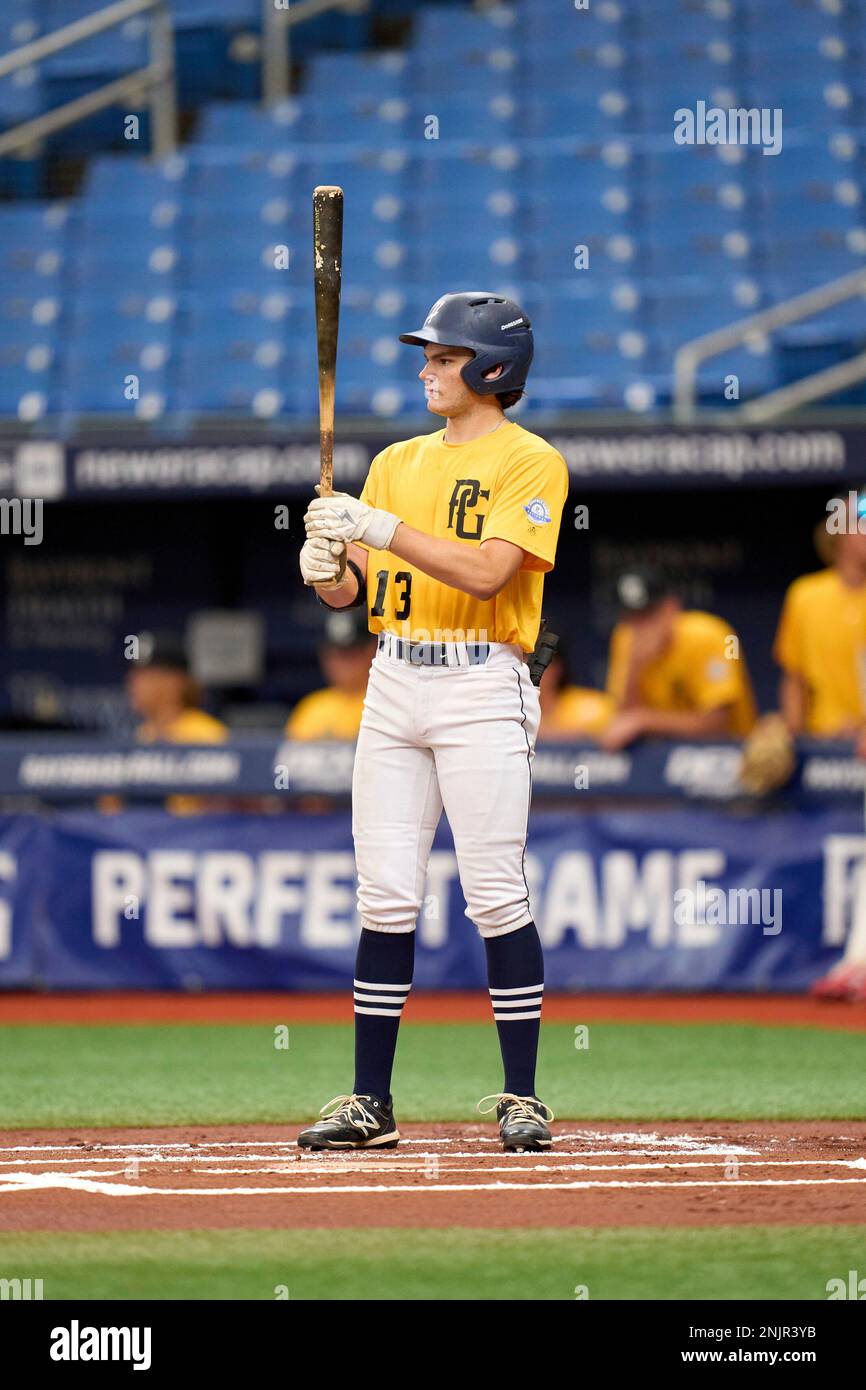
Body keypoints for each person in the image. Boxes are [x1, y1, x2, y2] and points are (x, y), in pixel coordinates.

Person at [296, 291, 568, 1152]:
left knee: (494, 893)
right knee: (385, 895)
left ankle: (521, 1096)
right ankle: (369, 1102)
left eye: (445, 357)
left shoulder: (532, 462)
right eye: (430, 355)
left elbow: (489, 574)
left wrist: (379, 526)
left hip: (481, 681)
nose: (427, 368)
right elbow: (362, 591)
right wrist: (328, 568)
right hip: (393, 679)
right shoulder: (395, 461)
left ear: (493, 369)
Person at [775, 493, 866, 1001]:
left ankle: (857, 962)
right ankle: (855, 962)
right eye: (858, 524)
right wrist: (796, 734)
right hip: (828, 744)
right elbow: (794, 674)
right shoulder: (808, 594)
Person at [600, 569, 757, 751]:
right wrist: (635, 669)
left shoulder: (712, 635)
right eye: (632, 617)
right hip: (663, 760)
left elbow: (718, 723)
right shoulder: (624, 637)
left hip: (728, 755)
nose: (640, 627)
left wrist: (645, 721)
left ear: (671, 608)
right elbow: (623, 722)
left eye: (648, 614)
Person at [126, 631, 227, 816]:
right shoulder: (138, 737)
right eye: (134, 674)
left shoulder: (207, 734)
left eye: (146, 674)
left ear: (175, 681)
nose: (133, 683)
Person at [285, 608, 376, 741]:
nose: (344, 664)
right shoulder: (311, 708)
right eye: (337, 655)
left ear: (371, 651)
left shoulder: (383, 705)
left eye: (352, 654)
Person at [537, 644, 614, 741]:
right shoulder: (516, 706)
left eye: (537, 663)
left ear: (557, 669)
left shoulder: (587, 706)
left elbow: (614, 728)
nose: (529, 671)